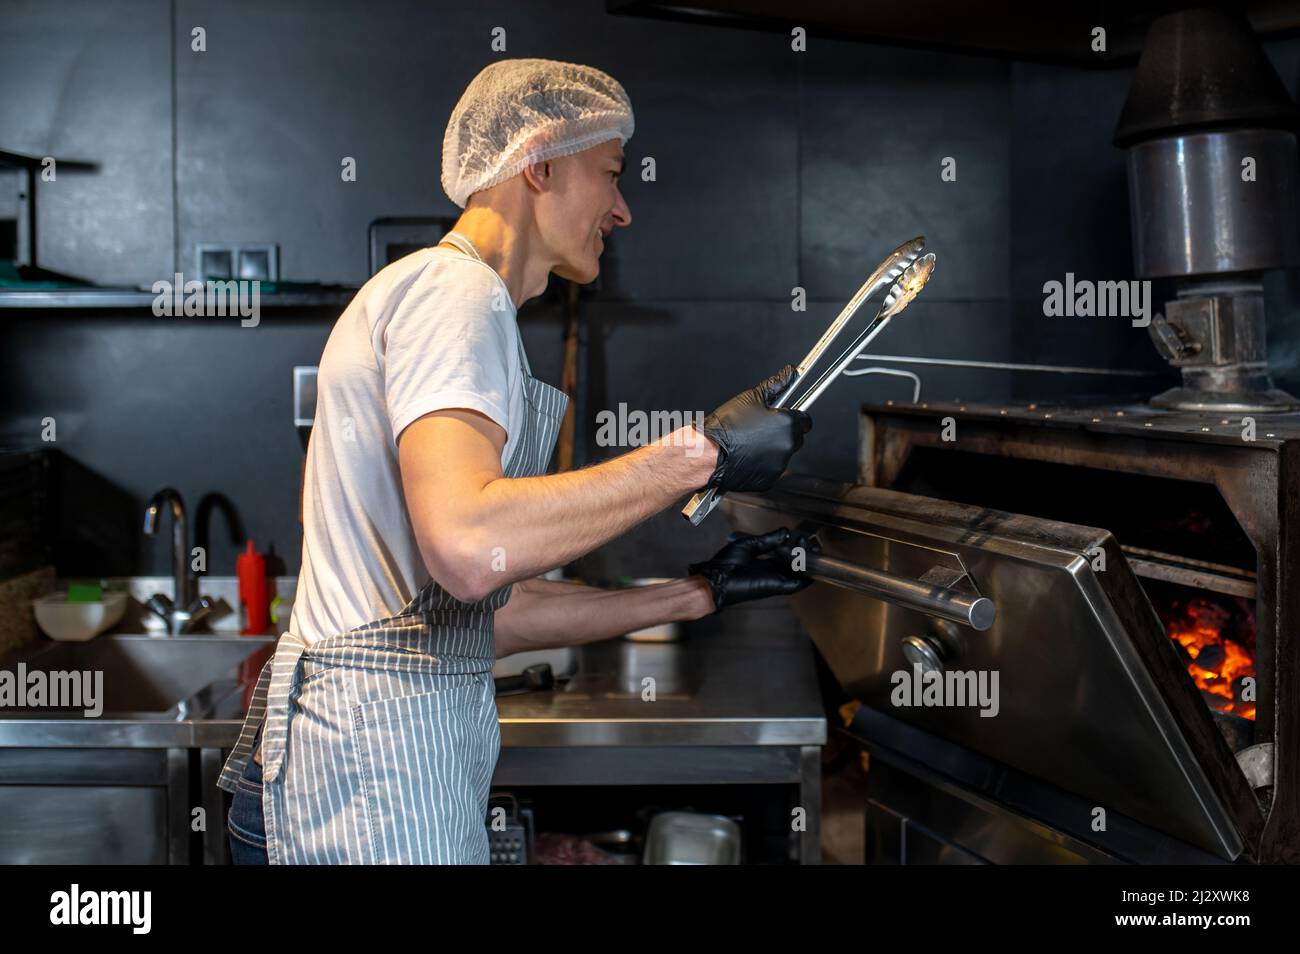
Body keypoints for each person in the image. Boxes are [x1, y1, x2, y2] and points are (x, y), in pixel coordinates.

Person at [219, 58, 812, 865]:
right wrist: (702, 455)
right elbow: (468, 548)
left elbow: (492, 614)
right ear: (539, 162)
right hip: (365, 779)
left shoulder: (463, 304)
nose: (623, 209)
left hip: (375, 770)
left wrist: (700, 594)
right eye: (610, 174)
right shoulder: (454, 295)